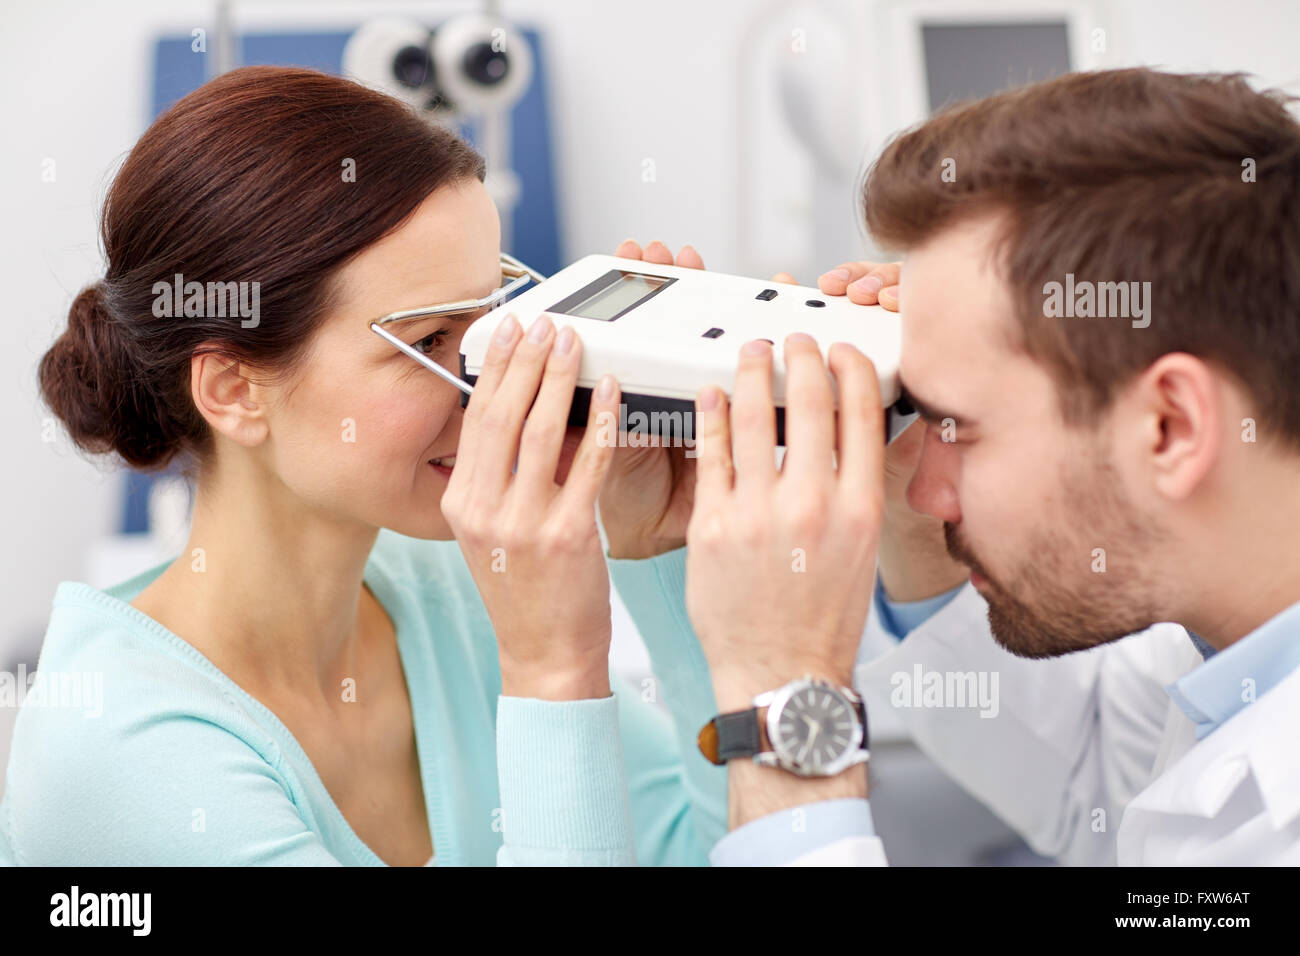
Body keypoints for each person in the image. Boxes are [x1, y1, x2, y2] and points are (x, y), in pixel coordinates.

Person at [0, 65, 730, 866]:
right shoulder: (122, 753)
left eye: (490, 320)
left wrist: (658, 551)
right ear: (237, 390)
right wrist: (550, 669)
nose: (486, 388)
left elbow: (693, 854)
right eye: (426, 345)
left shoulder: (447, 595)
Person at [674, 67, 1300, 865]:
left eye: (957, 429)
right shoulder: (1227, 637)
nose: (931, 495)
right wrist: (907, 477)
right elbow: (1100, 797)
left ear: (1170, 427)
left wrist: (787, 695)